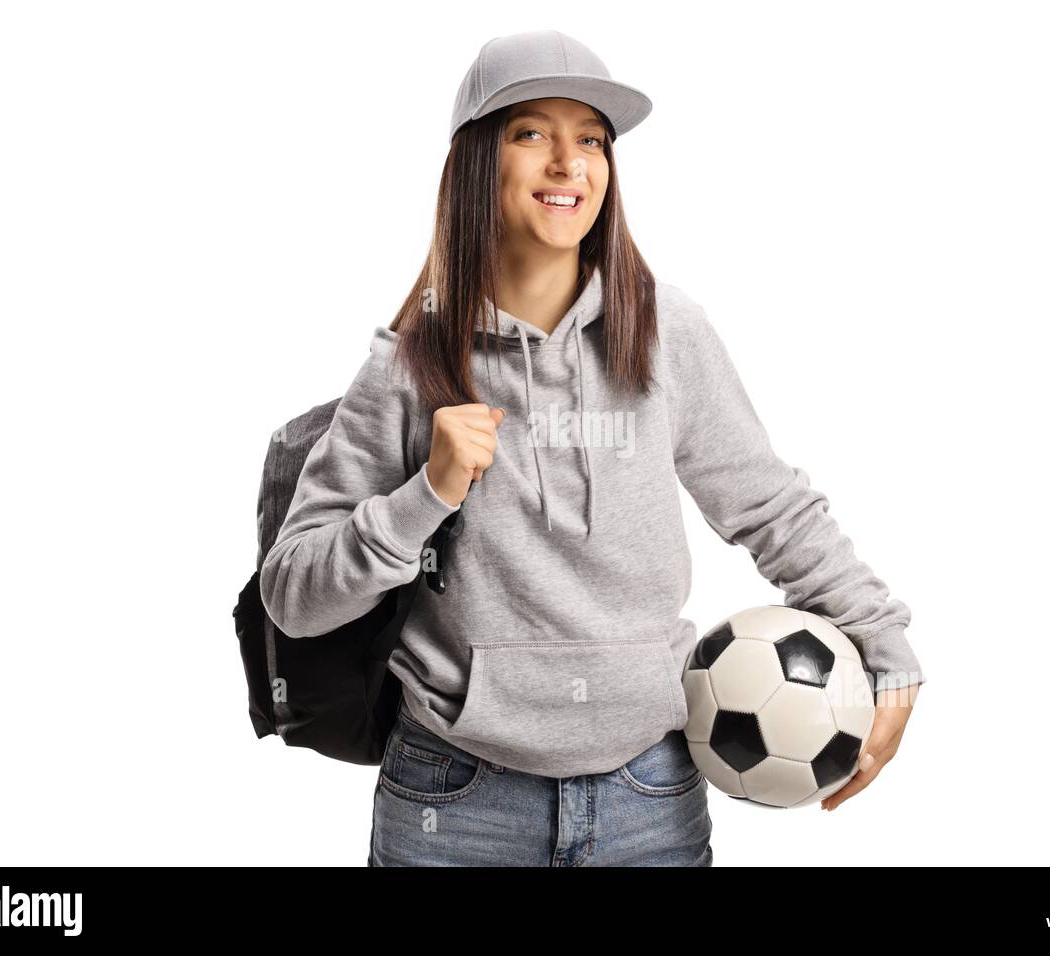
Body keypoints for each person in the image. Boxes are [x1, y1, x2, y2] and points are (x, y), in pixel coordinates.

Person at [259, 30, 926, 867]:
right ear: (476, 163)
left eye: (592, 140)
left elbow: (770, 507)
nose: (569, 163)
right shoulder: (410, 364)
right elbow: (294, 594)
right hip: (454, 802)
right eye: (531, 132)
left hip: (650, 798)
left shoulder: (666, 331)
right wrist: (426, 493)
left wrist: (883, 643)